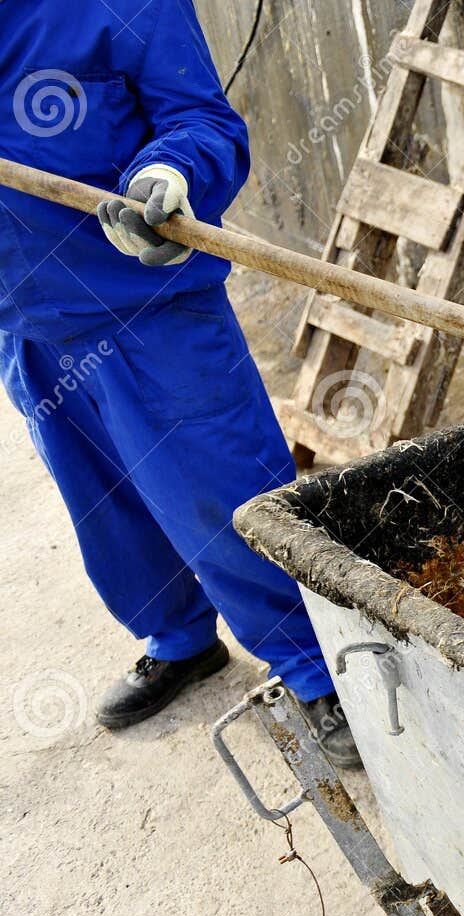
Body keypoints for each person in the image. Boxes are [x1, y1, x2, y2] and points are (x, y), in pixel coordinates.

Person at [0, 0, 361, 768]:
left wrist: (170, 171)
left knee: (225, 498)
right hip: (27, 328)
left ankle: (315, 665)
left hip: (149, 314)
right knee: (111, 511)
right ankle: (181, 636)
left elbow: (202, 121)